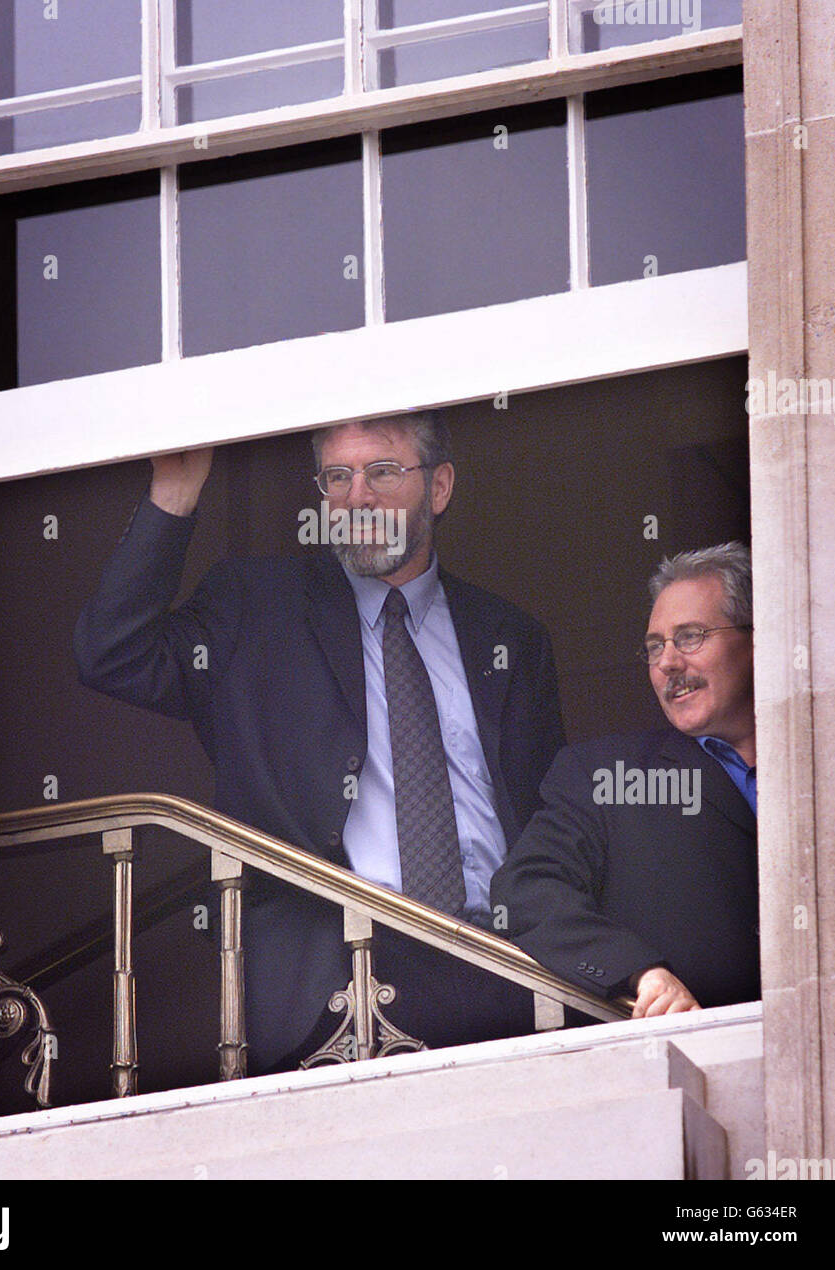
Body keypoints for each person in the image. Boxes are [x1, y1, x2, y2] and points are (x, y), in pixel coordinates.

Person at [74, 410, 565, 1072]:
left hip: (499, 968)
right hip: (328, 985)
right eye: (337, 476)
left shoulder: (508, 636)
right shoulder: (256, 604)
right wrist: (174, 494)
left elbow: (543, 821)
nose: (356, 497)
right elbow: (113, 654)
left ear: (439, 487)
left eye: (382, 472)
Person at [490, 541, 759, 1020]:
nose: (667, 663)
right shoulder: (603, 776)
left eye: (691, 636)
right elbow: (526, 890)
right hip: (690, 1056)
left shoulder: (824, 755)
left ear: (758, 638)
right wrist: (641, 973)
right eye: (655, 646)